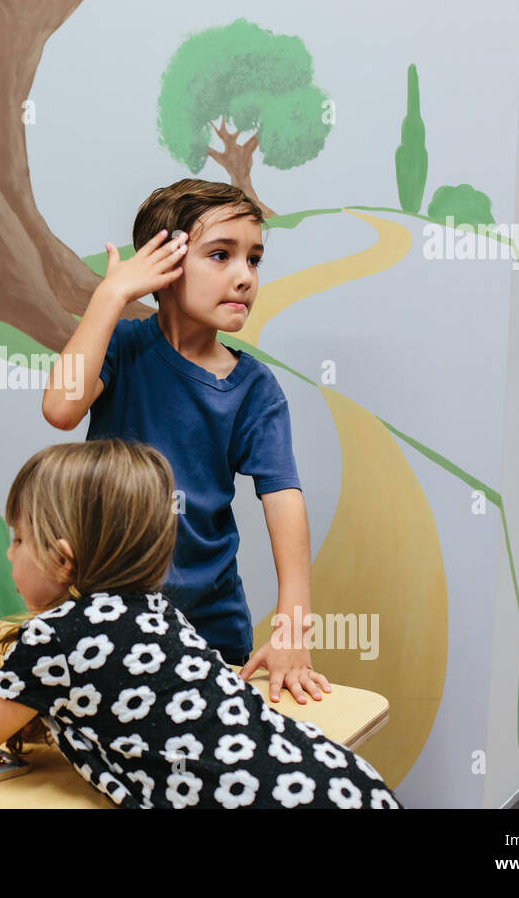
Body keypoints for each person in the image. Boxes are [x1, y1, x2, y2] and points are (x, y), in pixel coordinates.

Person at [0, 441, 402, 810]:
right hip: (340, 784)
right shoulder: (155, 615)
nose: (10, 554)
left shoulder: (58, 637)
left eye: (20, 539)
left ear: (63, 559)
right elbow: (23, 702)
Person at [41, 178, 325, 705]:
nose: (244, 277)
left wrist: (292, 628)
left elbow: (284, 499)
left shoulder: (254, 389)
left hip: (209, 631)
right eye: (221, 255)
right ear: (165, 267)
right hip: (106, 618)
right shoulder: (121, 348)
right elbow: (61, 407)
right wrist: (111, 295)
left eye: (254, 260)